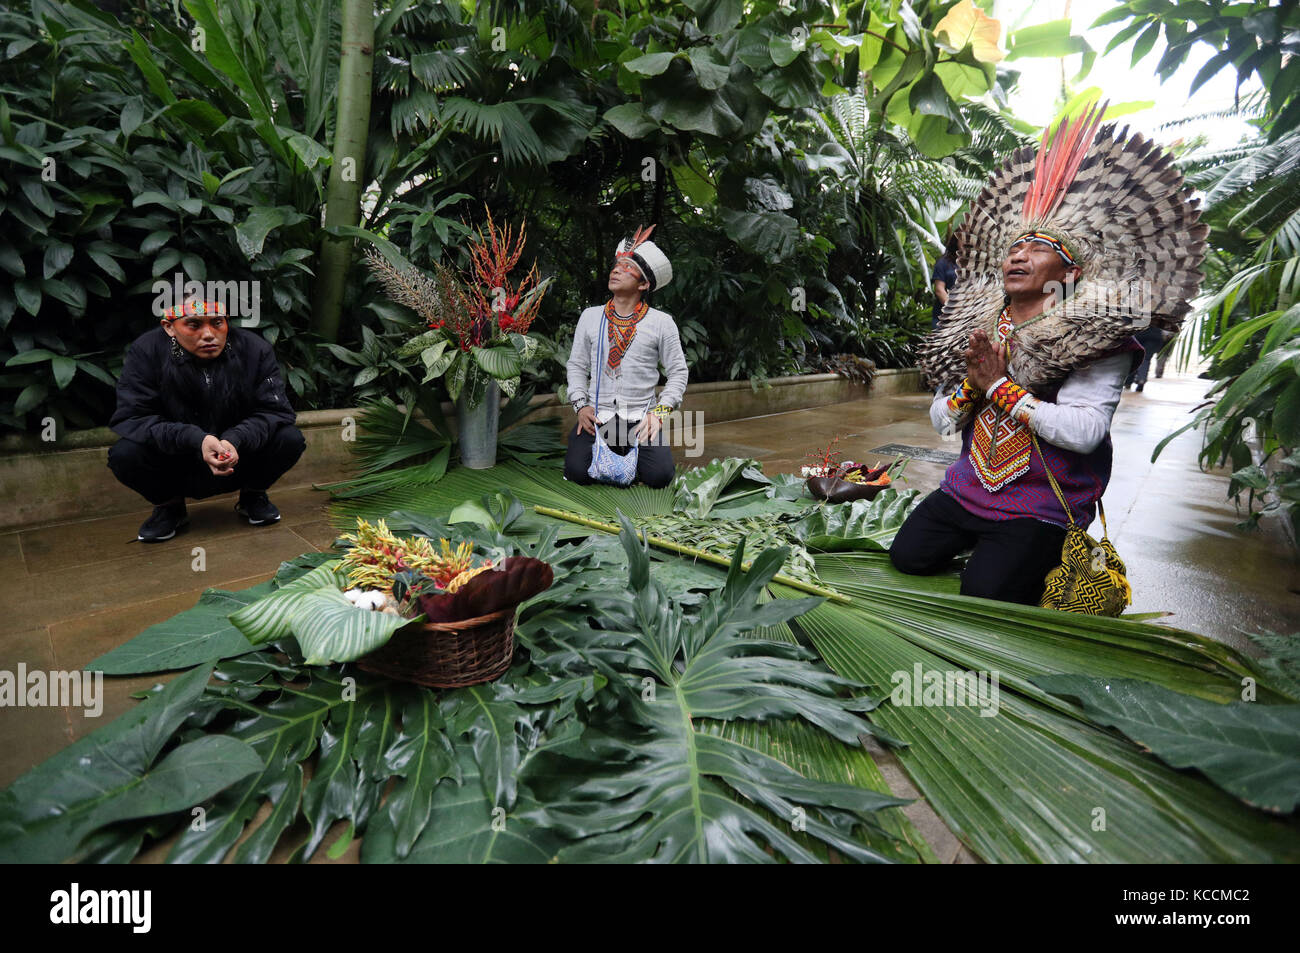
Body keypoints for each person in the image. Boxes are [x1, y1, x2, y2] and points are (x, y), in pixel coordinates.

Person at [894, 102, 1207, 605]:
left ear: (1070, 274)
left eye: (1039, 249)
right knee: (908, 557)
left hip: (1040, 505)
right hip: (967, 489)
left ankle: (1031, 552)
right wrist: (971, 388)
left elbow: (1085, 434)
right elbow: (940, 422)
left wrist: (1000, 386)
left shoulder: (1097, 337)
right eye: (1014, 248)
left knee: (986, 592)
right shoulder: (981, 325)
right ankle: (993, 546)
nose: (1019, 255)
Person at [108, 299, 306, 542]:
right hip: (178, 460)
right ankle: (170, 506)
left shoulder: (255, 349)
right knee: (124, 454)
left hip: (237, 455)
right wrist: (196, 439)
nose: (209, 334)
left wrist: (236, 439)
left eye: (217, 323)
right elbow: (133, 418)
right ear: (169, 327)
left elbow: (276, 411)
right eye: (194, 325)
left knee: (289, 438)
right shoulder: (146, 351)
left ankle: (253, 495)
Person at [564, 226, 687, 489]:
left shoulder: (662, 323)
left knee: (660, 476)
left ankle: (630, 457)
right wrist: (580, 406)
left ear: (644, 284)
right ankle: (616, 458)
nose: (616, 270)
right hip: (598, 416)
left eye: (627, 268)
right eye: (617, 265)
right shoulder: (590, 316)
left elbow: (678, 372)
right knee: (577, 472)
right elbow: (576, 365)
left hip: (639, 417)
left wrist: (659, 413)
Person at [931, 232, 959, 329]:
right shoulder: (943, 263)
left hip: (965, 321)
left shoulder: (972, 264)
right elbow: (939, 290)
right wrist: (955, 310)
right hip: (942, 319)